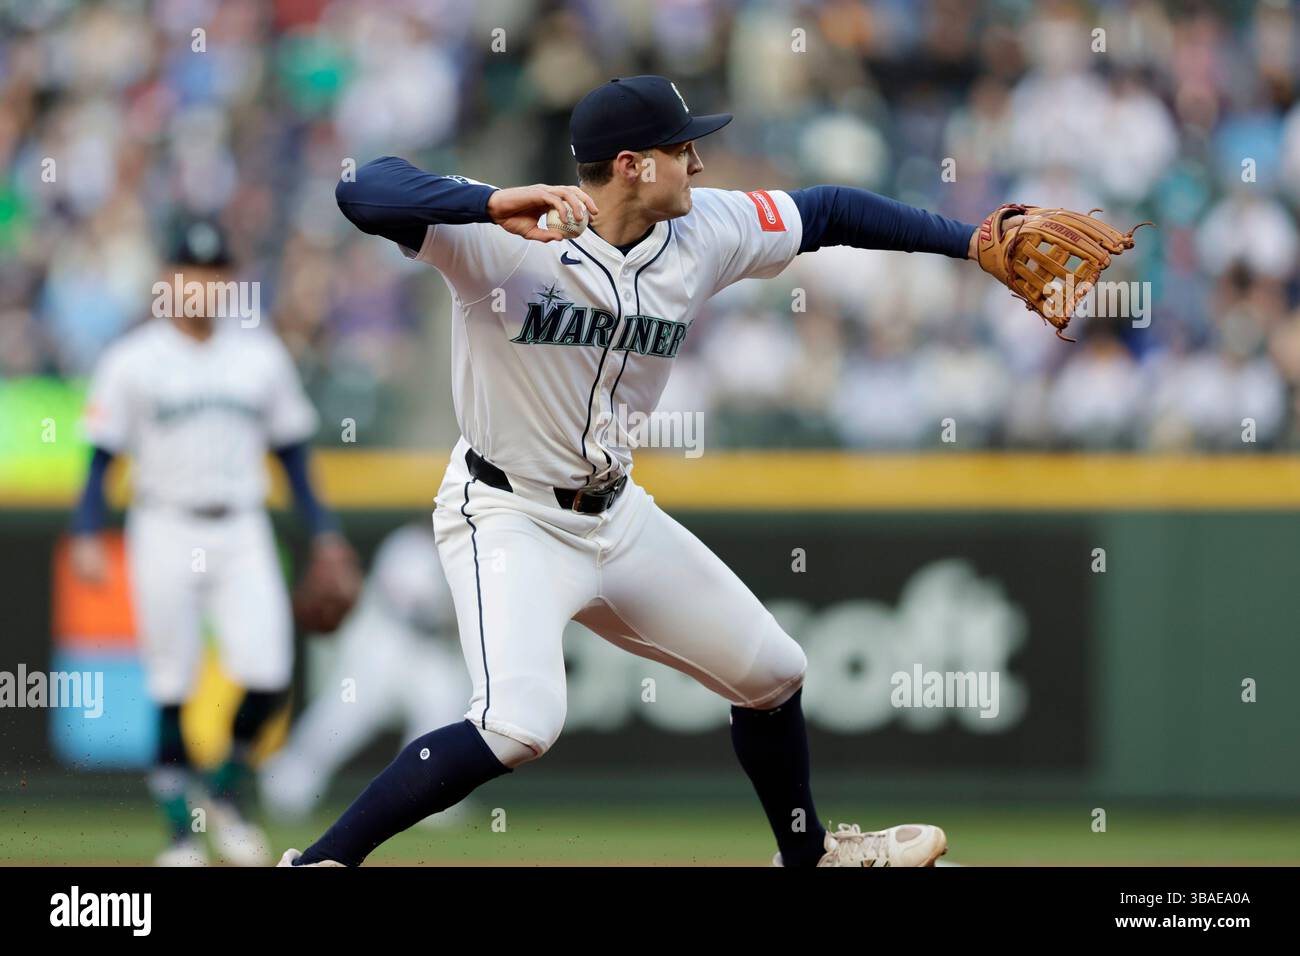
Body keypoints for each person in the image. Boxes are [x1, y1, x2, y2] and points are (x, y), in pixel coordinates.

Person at [283, 75, 998, 867]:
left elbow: (829, 210)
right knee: (518, 725)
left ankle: (810, 858)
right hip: (508, 514)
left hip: (618, 516)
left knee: (773, 673)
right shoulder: (502, 232)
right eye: (680, 149)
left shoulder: (708, 229)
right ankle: (319, 861)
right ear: (631, 165)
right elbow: (361, 188)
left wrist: (968, 241)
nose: (696, 164)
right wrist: (484, 204)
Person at [72, 217, 351, 866]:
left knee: (269, 672)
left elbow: (294, 454)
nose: (203, 285)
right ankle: (178, 833)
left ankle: (225, 791)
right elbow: (99, 459)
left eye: (216, 274)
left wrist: (327, 535)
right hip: (163, 523)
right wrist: (86, 529)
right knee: (173, 681)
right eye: (192, 273)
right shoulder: (132, 359)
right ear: (169, 280)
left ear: (229, 283)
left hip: (241, 524)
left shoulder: (259, 355)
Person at [259, 522, 471, 825]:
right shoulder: (408, 545)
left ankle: (430, 797)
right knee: (341, 720)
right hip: (385, 645)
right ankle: (286, 786)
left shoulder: (472, 552)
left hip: (432, 655)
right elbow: (415, 607)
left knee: (443, 715)